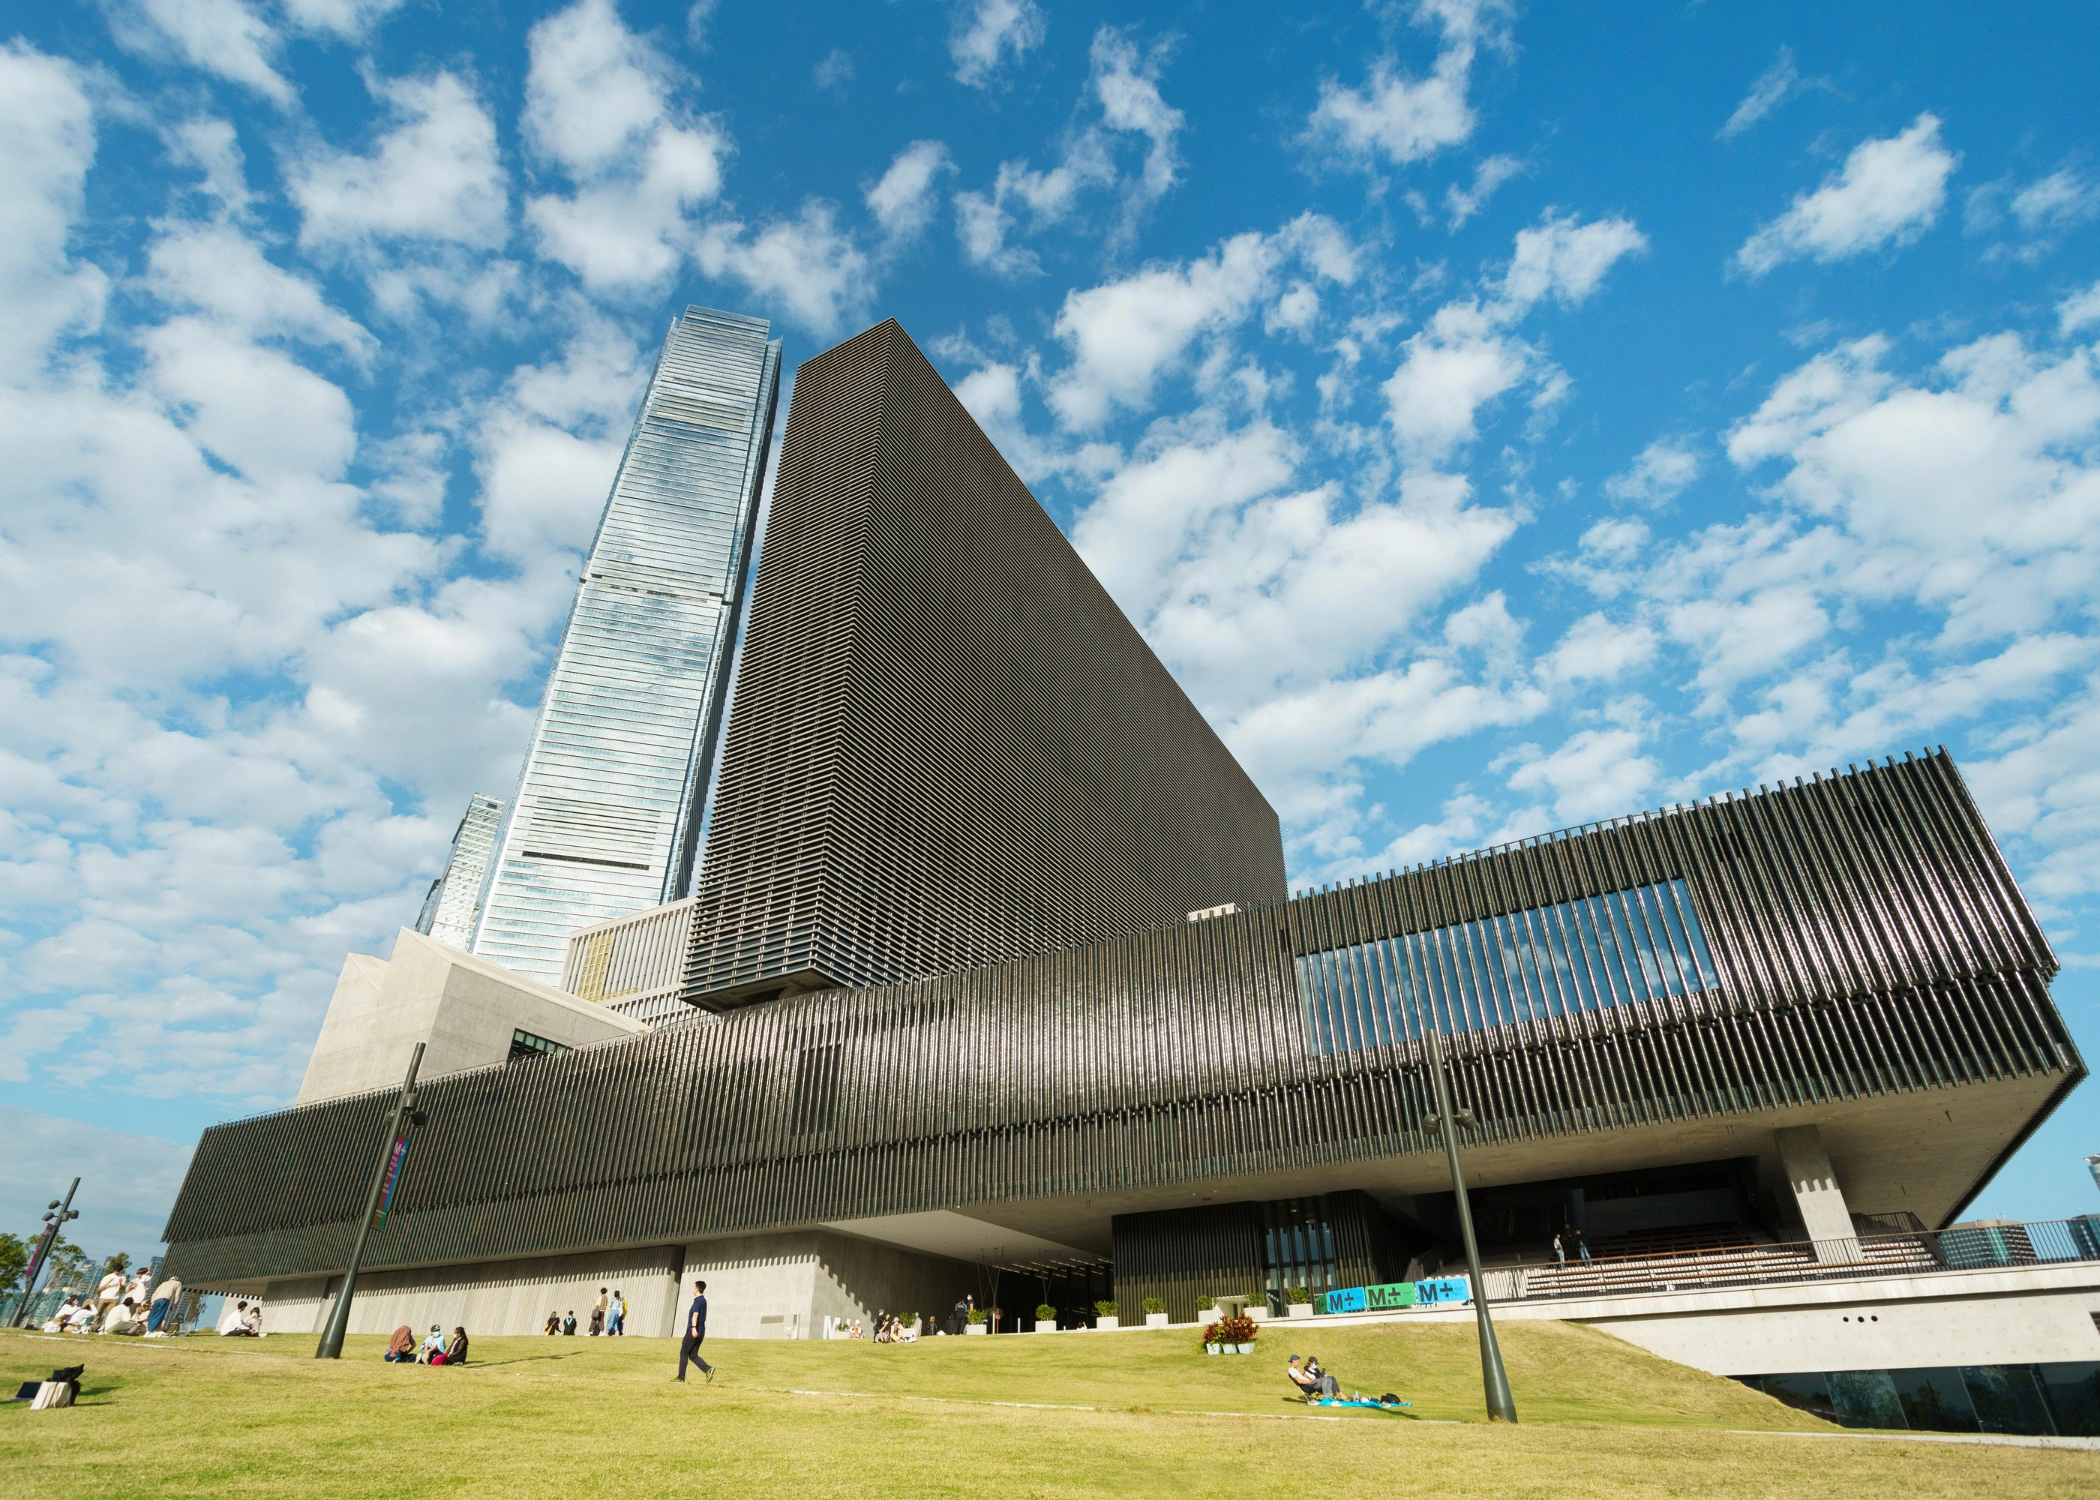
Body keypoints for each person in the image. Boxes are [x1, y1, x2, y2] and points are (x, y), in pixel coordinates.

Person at [676, 1278, 713, 1384]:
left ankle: (680, 1377)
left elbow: (695, 1315)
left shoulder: (698, 1301)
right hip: (701, 1331)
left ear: (696, 1289)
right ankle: (707, 1369)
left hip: (694, 1331)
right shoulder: (704, 1301)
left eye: (694, 1287)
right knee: (692, 1355)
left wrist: (693, 1328)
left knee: (683, 1353)